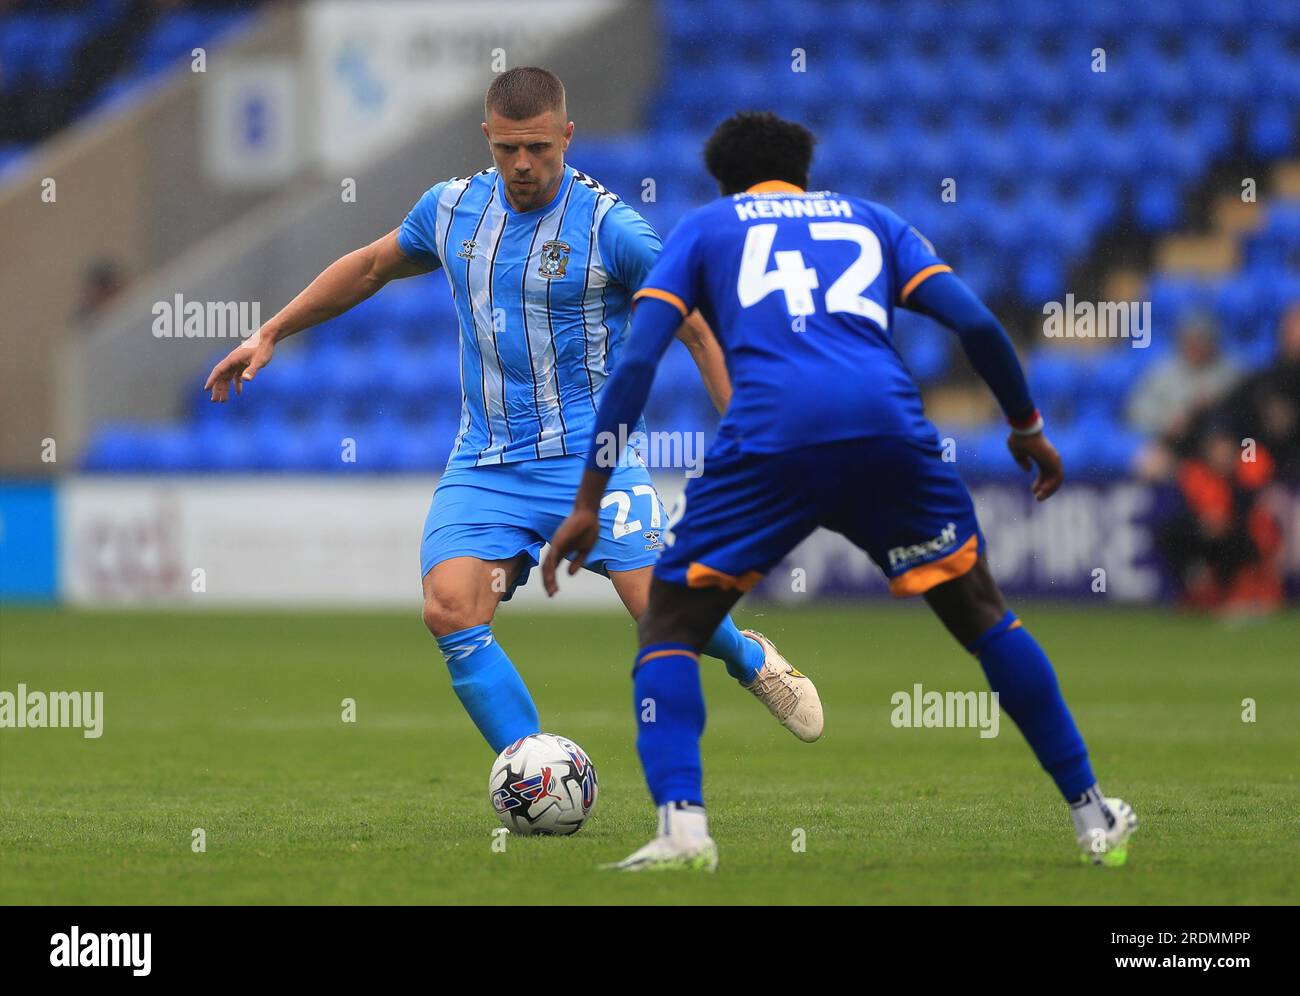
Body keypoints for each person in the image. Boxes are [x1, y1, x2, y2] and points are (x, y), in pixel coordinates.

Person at [544, 111, 1137, 871]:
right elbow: (980, 324)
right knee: (985, 618)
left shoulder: (708, 227)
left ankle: (683, 829)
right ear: (803, 175)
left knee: (670, 629)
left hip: (771, 438)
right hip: (886, 433)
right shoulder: (872, 221)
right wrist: (1026, 427)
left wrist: (589, 499)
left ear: (725, 182)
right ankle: (1093, 815)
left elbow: (637, 364)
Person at [203, 69, 823, 757]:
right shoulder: (451, 209)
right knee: (449, 610)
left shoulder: (613, 228)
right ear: (487, 139)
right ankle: (533, 769)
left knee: (663, 614)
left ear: (567, 135)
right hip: (485, 463)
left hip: (593, 460)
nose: (522, 165)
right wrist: (271, 332)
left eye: (538, 148)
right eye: (507, 149)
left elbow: (698, 331)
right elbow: (373, 265)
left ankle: (750, 659)